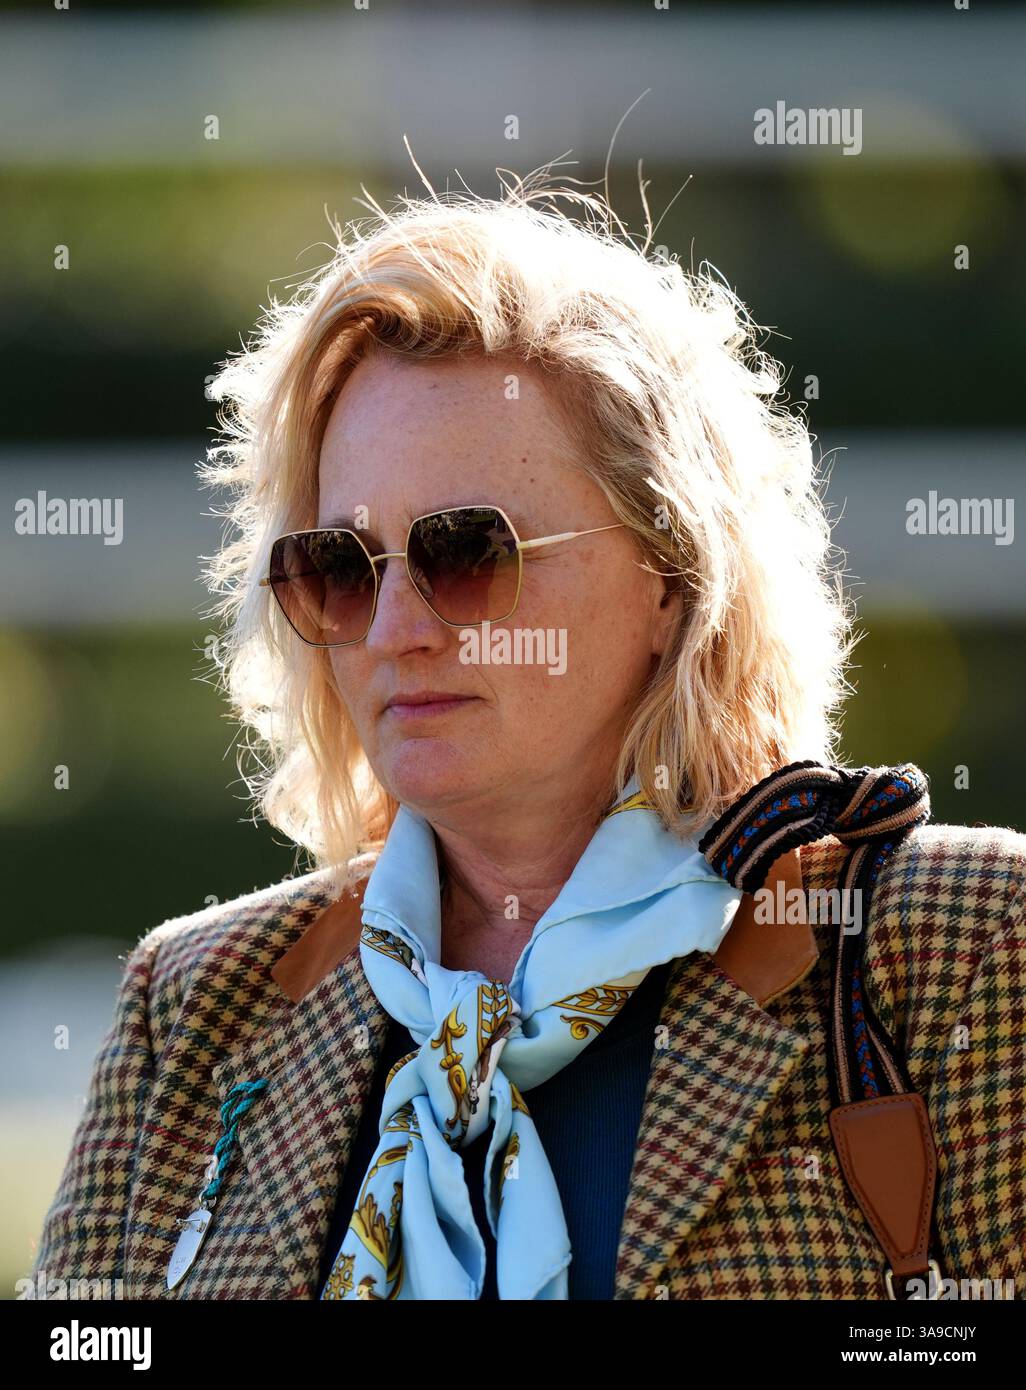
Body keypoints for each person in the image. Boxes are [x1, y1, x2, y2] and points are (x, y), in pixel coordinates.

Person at [31, 171, 1025, 1301]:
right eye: (340, 570)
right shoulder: (199, 1002)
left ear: (673, 576)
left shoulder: (959, 946)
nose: (396, 630)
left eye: (466, 552)